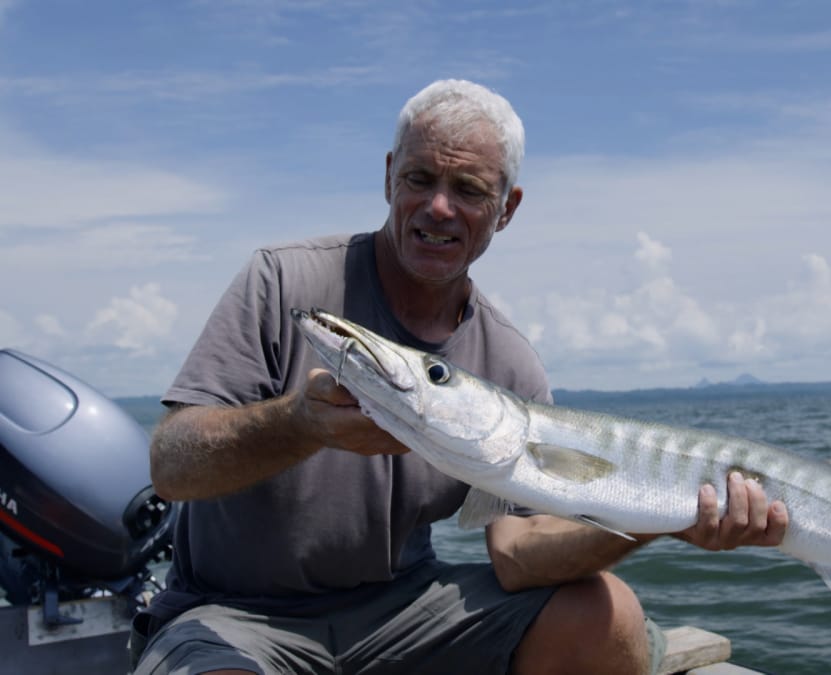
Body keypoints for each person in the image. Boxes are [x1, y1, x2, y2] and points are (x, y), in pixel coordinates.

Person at [133, 79, 789, 675]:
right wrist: (299, 425)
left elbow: (518, 554)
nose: (439, 208)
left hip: (403, 609)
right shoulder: (282, 282)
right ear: (388, 177)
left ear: (507, 208)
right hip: (234, 611)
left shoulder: (508, 361)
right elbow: (171, 465)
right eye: (419, 178)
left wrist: (662, 517)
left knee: (607, 616)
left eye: (470, 190)